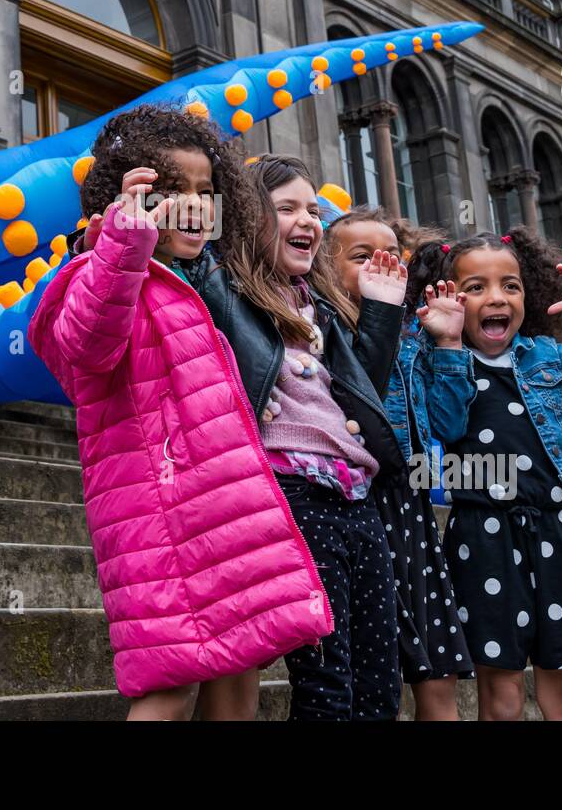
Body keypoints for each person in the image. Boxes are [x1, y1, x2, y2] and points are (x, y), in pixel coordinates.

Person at [27, 107, 333, 720]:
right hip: (157, 522)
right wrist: (122, 240)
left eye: (205, 192)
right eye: (172, 192)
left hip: (225, 512)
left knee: (241, 667)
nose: (194, 205)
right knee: (169, 681)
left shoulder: (193, 283)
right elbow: (86, 344)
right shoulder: (98, 272)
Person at [176, 154, 409, 720]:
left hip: (357, 497)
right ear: (248, 218)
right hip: (293, 495)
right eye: (286, 208)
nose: (307, 220)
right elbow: (182, 263)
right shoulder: (223, 286)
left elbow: (363, 392)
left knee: (378, 684)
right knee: (327, 684)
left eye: (313, 210)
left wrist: (380, 311)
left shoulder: (321, 307)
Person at [406, 228, 562, 720]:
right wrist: (448, 345)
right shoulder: (437, 363)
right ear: (449, 297)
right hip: (482, 535)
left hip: (557, 529)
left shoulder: (546, 356)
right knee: (503, 695)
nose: (496, 297)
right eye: (476, 287)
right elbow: (445, 426)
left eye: (510, 285)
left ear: (527, 294)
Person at [321, 206, 475, 720]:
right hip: (356, 501)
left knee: (439, 666)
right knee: (373, 662)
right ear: (326, 266)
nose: (380, 265)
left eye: (391, 256)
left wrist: (449, 344)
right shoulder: (325, 329)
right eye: (362, 256)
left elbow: (450, 425)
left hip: (412, 508)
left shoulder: (415, 337)